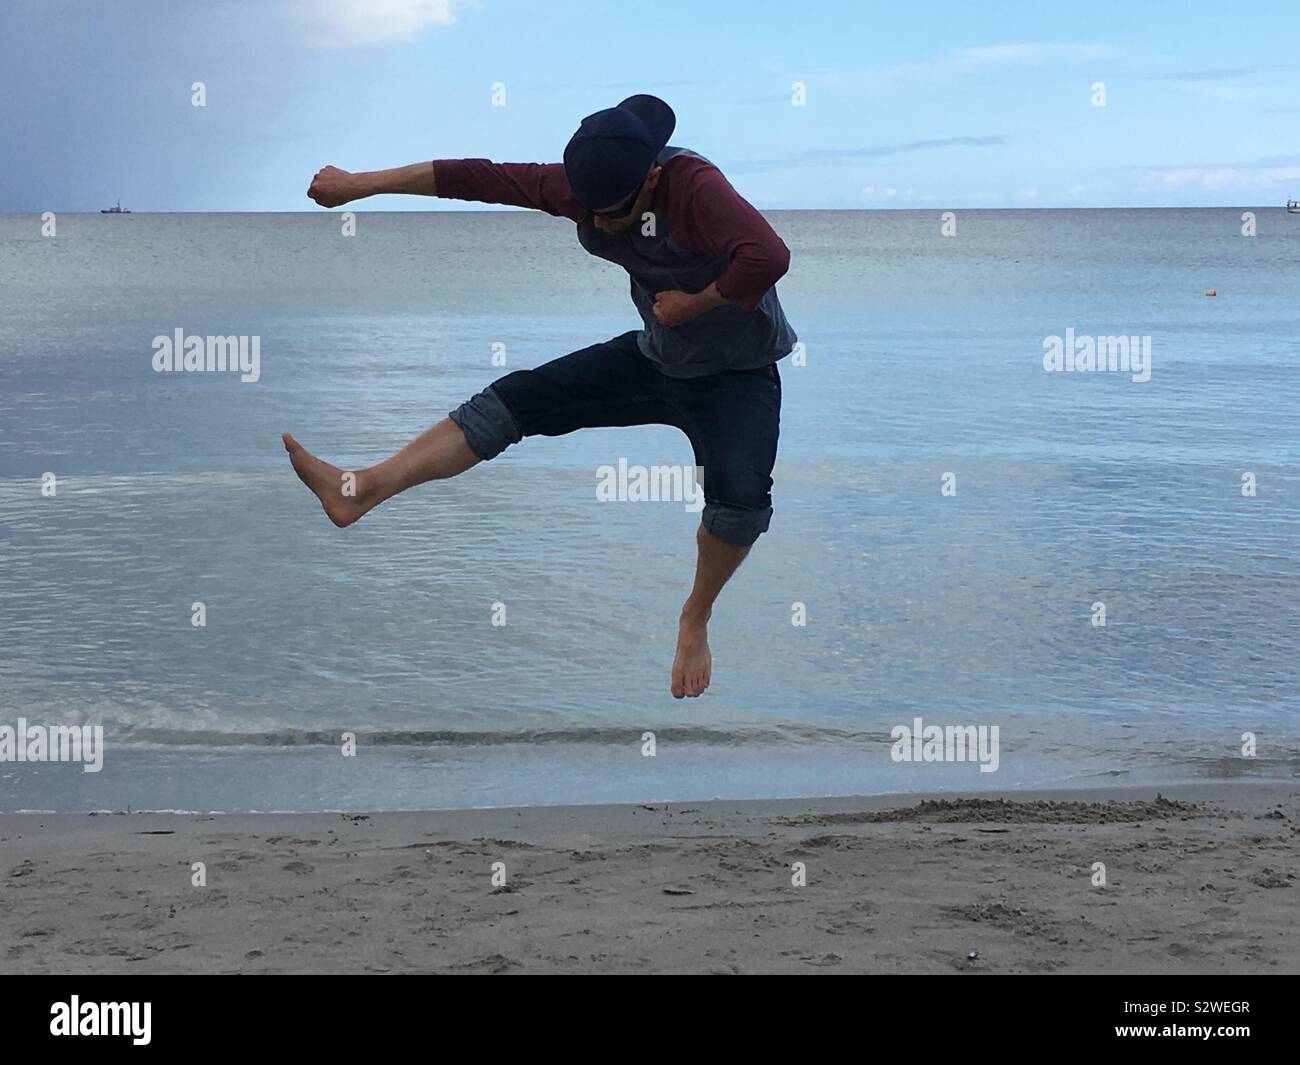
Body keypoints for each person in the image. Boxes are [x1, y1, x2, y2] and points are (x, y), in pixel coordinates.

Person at [286, 95, 796, 699]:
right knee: (512, 402)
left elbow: (769, 255)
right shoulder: (580, 186)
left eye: (614, 213)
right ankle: (362, 490)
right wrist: (360, 184)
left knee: (739, 500)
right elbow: (475, 178)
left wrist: (695, 302)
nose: (601, 224)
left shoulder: (694, 188)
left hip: (739, 372)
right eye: (592, 213)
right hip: (658, 357)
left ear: (651, 177)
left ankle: (695, 616)